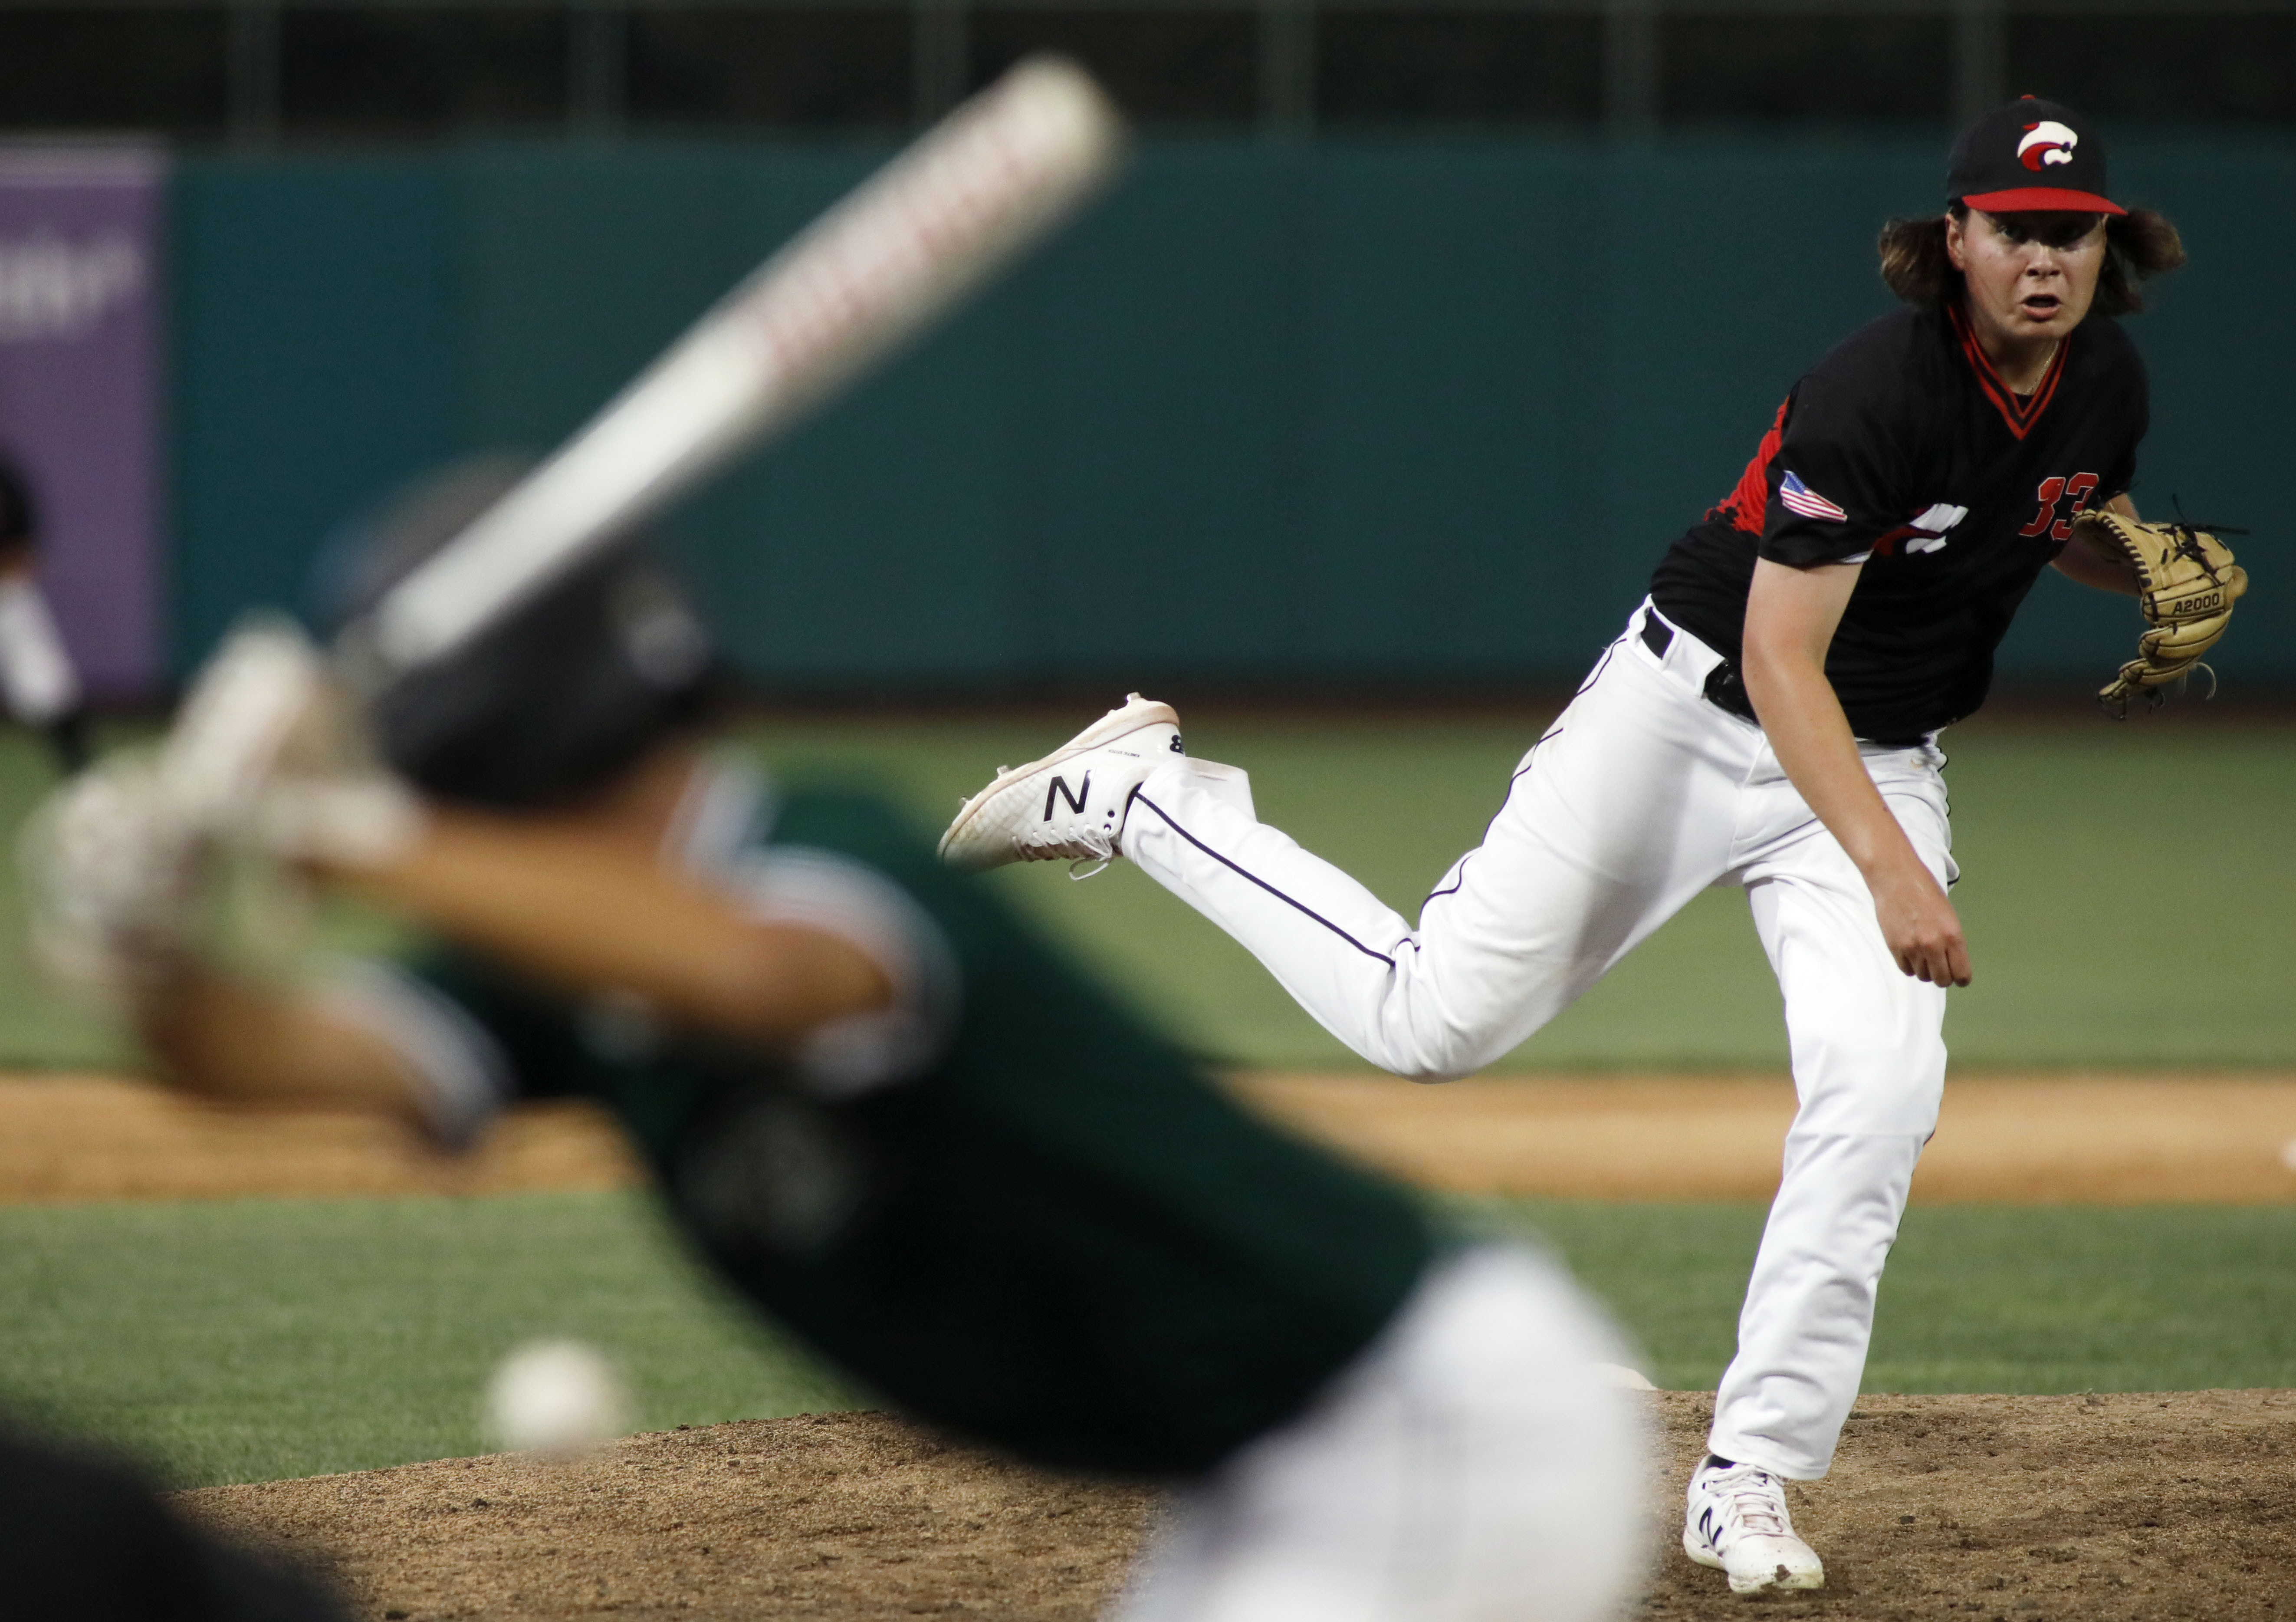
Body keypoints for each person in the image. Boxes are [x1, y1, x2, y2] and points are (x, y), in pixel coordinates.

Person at [936, 96, 2216, 1596]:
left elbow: (2036, 505)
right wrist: (1886, 865)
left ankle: (1750, 1471)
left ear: (2107, 247)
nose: (2044, 259)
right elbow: (1784, 661)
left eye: (2071, 233)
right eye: (2014, 229)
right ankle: (1146, 798)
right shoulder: (1868, 394)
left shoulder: (2104, 385)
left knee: (1881, 1084)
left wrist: (2134, 558)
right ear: (1957, 242)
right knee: (1430, 1022)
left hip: (1873, 751)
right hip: (1690, 714)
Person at [27, 462, 1646, 1622]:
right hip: (1254, 1466)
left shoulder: (822, 853)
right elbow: (291, 1059)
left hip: (1426, 1419)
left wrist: (345, 826)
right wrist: (156, 943)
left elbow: (762, 980)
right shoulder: (550, 978)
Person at [0, 450, 90, 774]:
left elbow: (25, 542)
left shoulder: (7, 479)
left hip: (6, 592)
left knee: (43, 678)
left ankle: (78, 764)